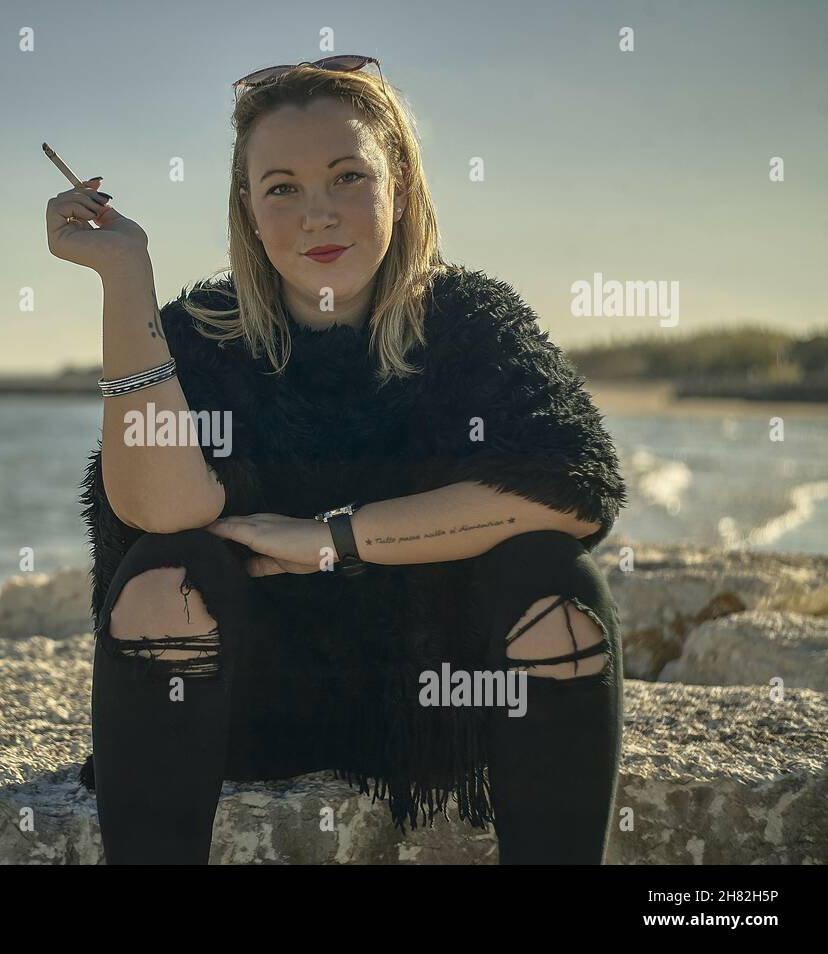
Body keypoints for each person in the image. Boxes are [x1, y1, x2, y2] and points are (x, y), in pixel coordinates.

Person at [45, 56, 628, 865]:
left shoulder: (471, 321)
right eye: (281, 187)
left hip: (440, 704)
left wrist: (333, 539)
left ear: (400, 186)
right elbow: (162, 510)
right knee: (165, 576)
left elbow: (574, 487)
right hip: (238, 705)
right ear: (248, 209)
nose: (317, 214)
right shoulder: (204, 328)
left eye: (347, 176)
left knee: (555, 582)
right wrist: (124, 277)